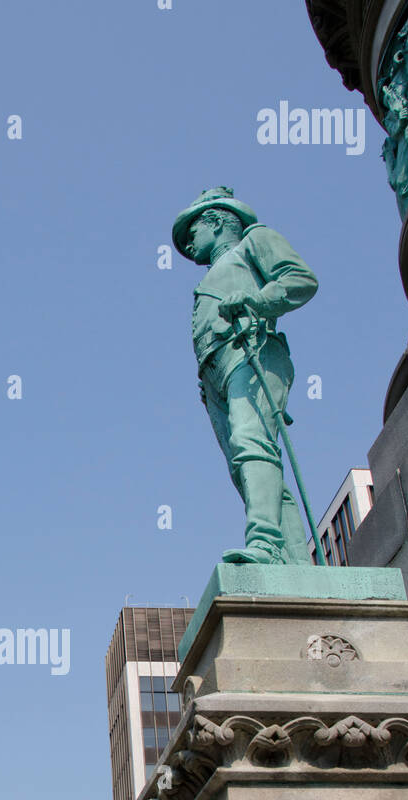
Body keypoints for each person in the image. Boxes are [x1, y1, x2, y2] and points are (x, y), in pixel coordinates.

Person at [172, 187, 318, 565]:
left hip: (252, 351)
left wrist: (256, 299)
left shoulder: (255, 240)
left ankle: (265, 543)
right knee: (245, 463)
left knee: (252, 442)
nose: (188, 243)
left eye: (193, 230)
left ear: (217, 221)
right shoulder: (212, 272)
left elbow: (301, 280)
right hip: (215, 373)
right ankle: (296, 560)